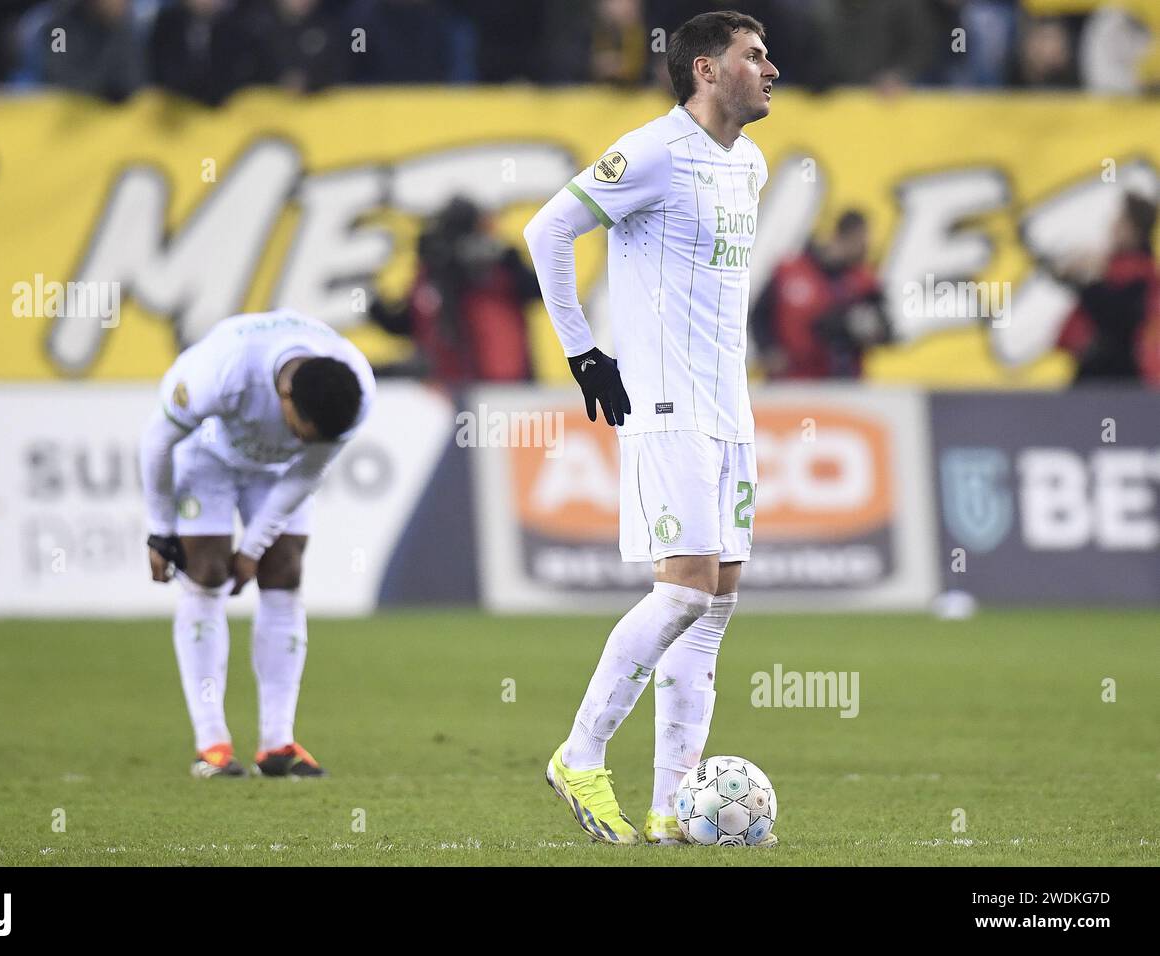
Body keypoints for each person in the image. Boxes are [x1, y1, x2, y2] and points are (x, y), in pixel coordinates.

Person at [522, 10, 778, 846]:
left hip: (729, 410)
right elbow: (548, 227)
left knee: (714, 610)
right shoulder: (654, 151)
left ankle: (671, 808)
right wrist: (582, 353)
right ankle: (581, 753)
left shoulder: (751, 165)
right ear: (706, 69)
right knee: (682, 590)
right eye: (754, 55)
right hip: (665, 404)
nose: (771, 68)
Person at [139, 309, 375, 778]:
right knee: (205, 573)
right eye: (298, 431)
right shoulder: (221, 372)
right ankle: (212, 745)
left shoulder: (354, 393)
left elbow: (306, 472)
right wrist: (160, 529)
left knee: (284, 569)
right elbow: (158, 441)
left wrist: (253, 548)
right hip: (206, 454)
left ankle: (277, 744)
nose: (301, 441)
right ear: (284, 396)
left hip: (277, 477)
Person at [370, 196, 539, 384]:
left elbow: (538, 291)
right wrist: (379, 311)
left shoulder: (501, 267)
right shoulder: (434, 273)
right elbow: (416, 322)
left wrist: (508, 261)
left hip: (505, 385)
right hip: (447, 385)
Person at [753, 209, 890, 379]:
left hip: (841, 379)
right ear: (848, 236)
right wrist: (768, 349)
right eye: (862, 241)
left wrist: (855, 326)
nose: (866, 248)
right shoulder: (790, 271)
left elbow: (885, 329)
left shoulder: (865, 283)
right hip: (791, 379)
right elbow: (759, 315)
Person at [1054, 192, 1159, 385]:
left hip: (1118, 378)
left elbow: (1119, 322)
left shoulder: (1140, 275)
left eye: (1120, 222)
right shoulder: (1114, 266)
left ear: (1133, 229)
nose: (1112, 228)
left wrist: (1091, 281)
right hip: (1098, 375)